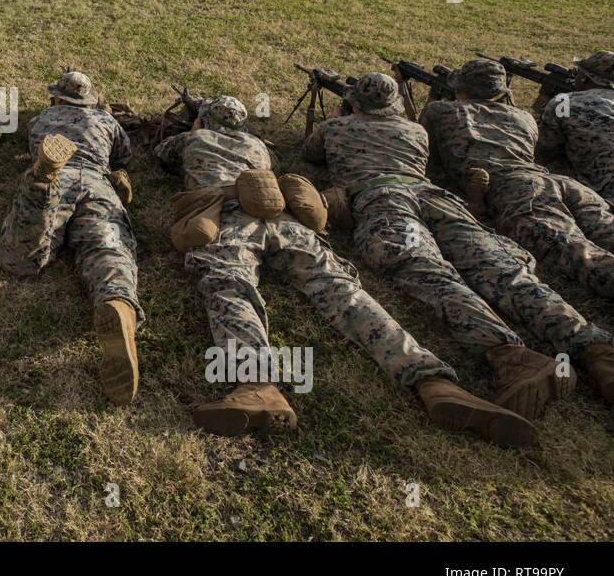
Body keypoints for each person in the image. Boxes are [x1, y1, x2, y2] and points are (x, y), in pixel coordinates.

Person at [158, 94, 535, 446]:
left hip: (228, 220)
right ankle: (433, 381)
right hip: (287, 220)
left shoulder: (194, 139)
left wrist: (185, 128)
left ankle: (256, 385)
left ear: (204, 120)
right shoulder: (261, 147)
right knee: (343, 291)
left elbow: (162, 152)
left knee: (230, 286)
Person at [305, 71, 612, 414]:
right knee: (500, 267)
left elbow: (311, 153)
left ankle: (510, 356)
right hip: (439, 198)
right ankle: (594, 348)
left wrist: (338, 118)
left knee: (427, 270)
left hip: (385, 199)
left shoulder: (335, 128)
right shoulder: (416, 131)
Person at [0, 70, 141, 404]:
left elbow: (28, 140)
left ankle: (40, 185)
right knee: (107, 244)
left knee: (20, 257)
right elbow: (124, 157)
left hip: (59, 177)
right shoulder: (106, 122)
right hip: (96, 182)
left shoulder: (41, 120)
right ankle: (117, 302)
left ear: (56, 98)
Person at [422, 58, 614, 304]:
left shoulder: (439, 111)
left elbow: (425, 151)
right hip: (562, 183)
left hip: (520, 191)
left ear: (461, 87)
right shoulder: (524, 116)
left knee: (572, 250)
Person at [537, 50, 614, 205]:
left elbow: (544, 150)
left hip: (604, 198)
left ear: (585, 78)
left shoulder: (564, 101)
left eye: (578, 73)